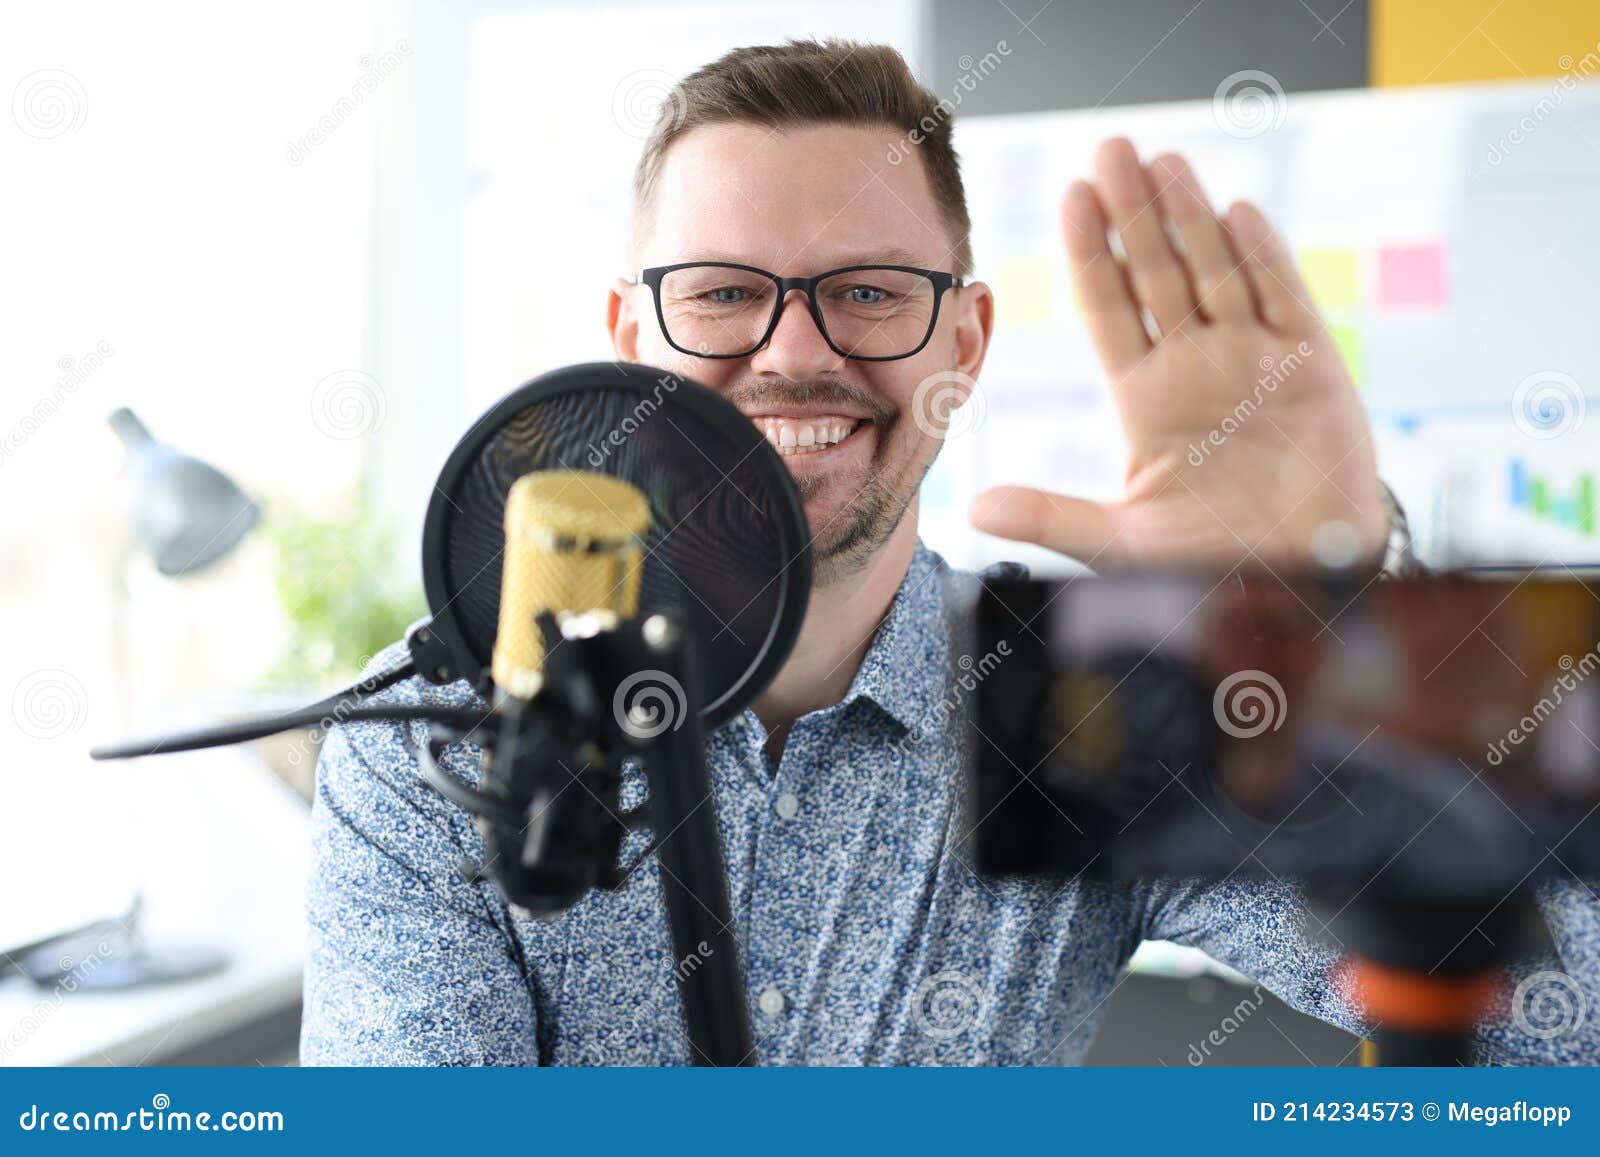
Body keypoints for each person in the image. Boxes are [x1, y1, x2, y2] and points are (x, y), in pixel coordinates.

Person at [301, 39, 1597, 1065]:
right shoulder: (435, 743)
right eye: (720, 291)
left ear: (965, 343)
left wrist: (1345, 613)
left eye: (868, 289)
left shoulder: (1077, 703)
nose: (795, 352)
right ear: (634, 336)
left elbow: (1561, 1034)